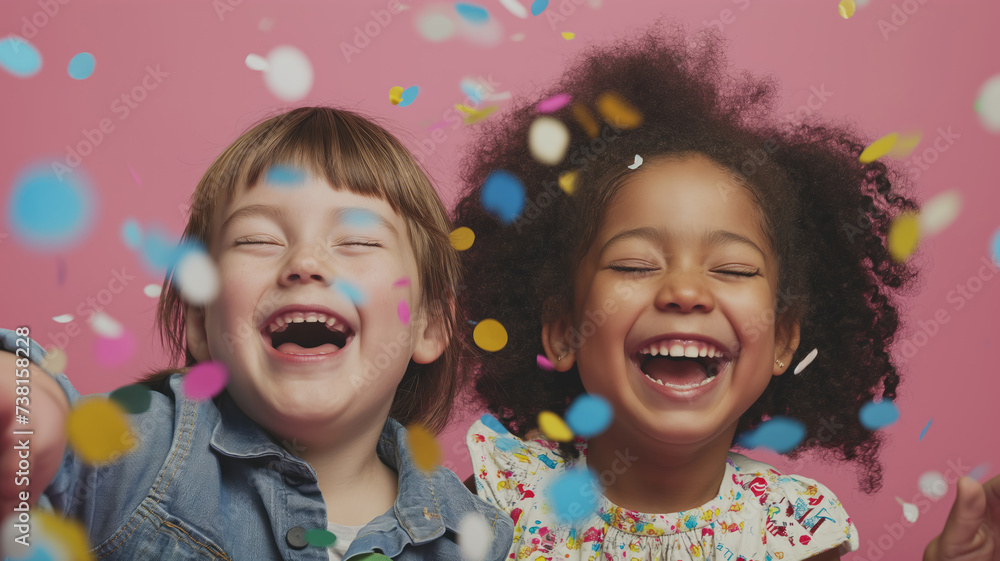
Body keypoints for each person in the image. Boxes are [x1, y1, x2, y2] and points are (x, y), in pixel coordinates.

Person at [452, 25, 999, 561]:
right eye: (635, 263)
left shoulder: (793, 532)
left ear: (784, 338)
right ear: (564, 329)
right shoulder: (507, 502)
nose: (686, 291)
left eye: (734, 269)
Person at [1, 106, 514, 560]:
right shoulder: (139, 456)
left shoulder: (471, 536)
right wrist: (32, 400)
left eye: (357, 239)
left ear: (428, 323)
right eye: (258, 239)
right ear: (200, 321)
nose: (305, 262)